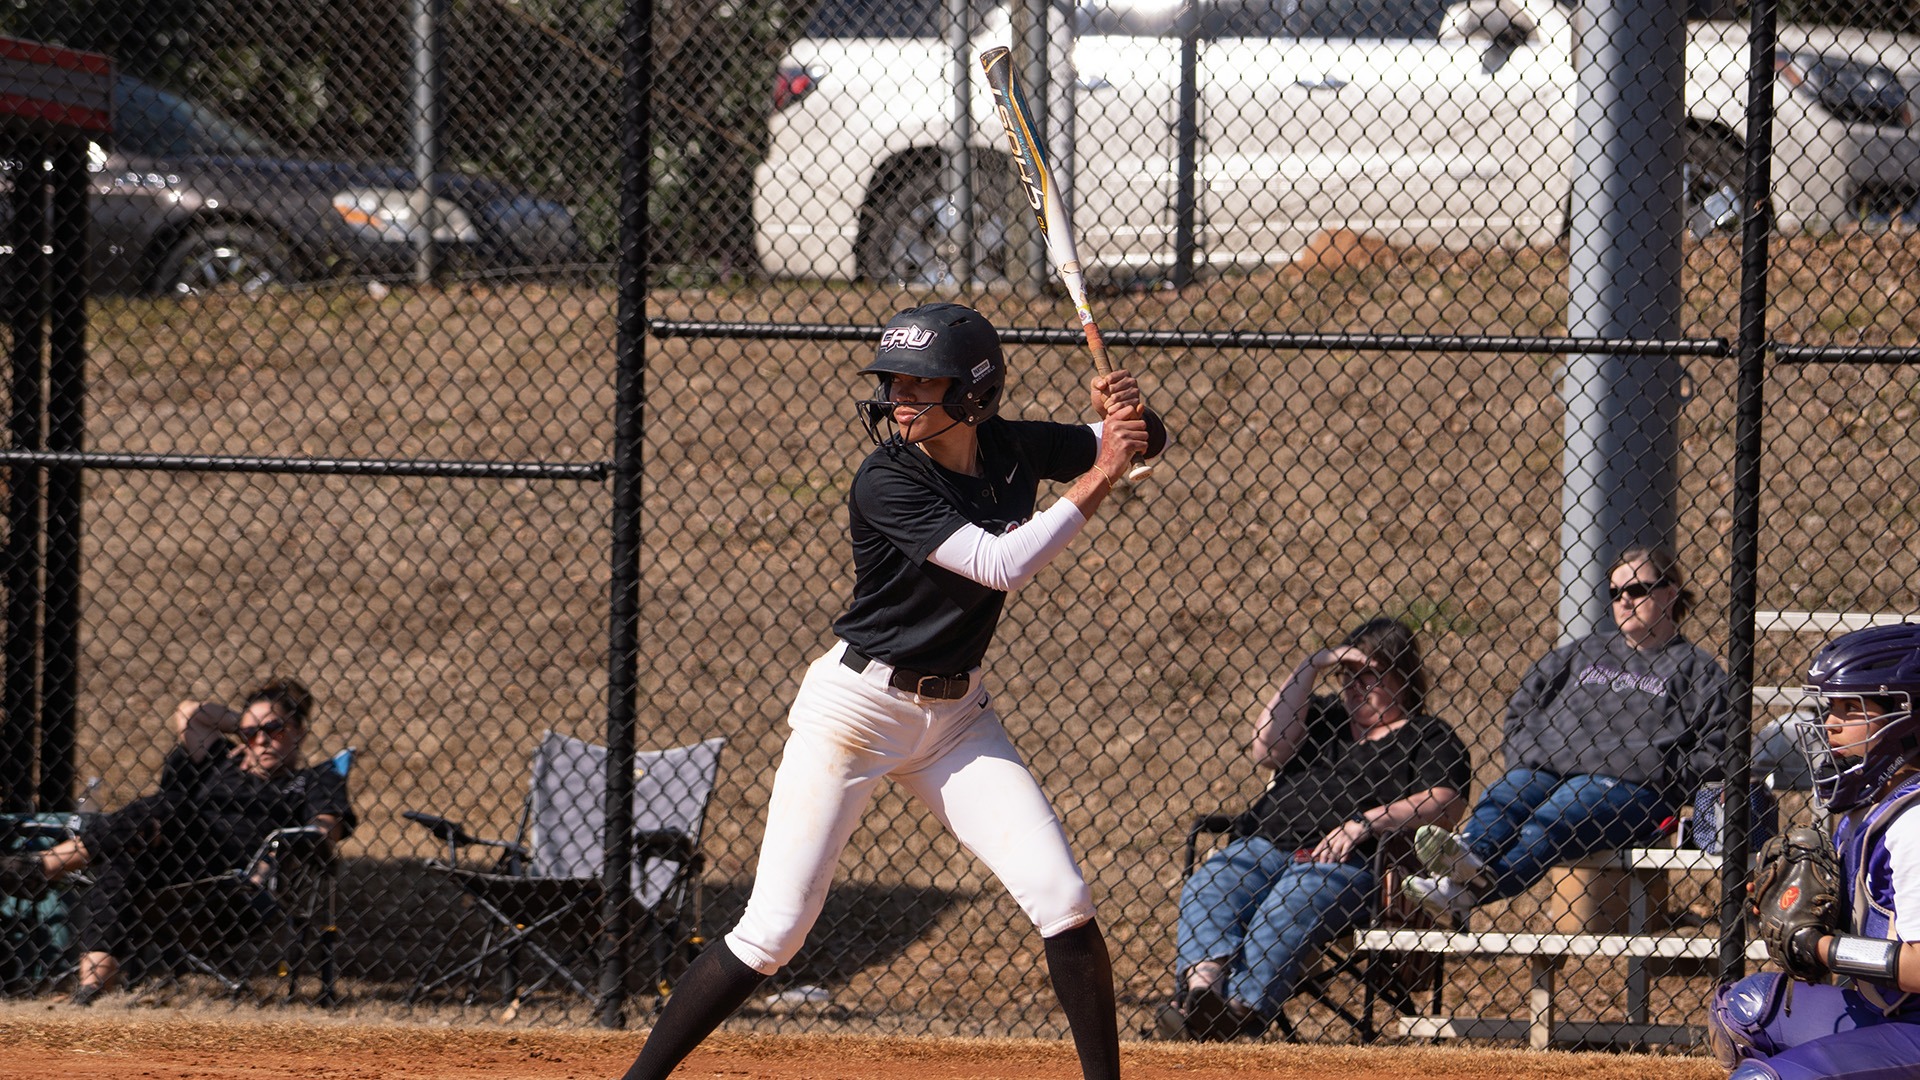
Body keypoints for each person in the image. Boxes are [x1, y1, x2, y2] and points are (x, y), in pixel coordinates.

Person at [612, 302, 1164, 1080]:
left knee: (1064, 897)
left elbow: (1136, 447)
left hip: (958, 718)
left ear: (973, 394)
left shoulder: (1010, 448)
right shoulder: (887, 478)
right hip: (857, 713)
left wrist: (1128, 419)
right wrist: (1105, 469)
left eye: (920, 385)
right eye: (893, 384)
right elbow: (1003, 563)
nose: (897, 401)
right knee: (774, 934)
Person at [1161, 616, 1471, 1041]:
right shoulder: (1323, 717)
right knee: (1210, 882)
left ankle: (1240, 1011)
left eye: (1369, 676)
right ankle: (1202, 991)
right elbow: (1266, 748)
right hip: (1265, 844)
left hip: (1345, 862)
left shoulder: (1427, 735)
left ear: (1403, 676)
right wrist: (1311, 666)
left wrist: (1365, 822)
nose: (1354, 686)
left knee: (1291, 900)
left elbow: (1446, 803)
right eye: (1347, 675)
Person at [1403, 544, 1731, 920]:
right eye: (1615, 593)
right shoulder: (1581, 652)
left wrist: (1659, 772)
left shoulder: (1697, 669)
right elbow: (1522, 708)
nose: (1624, 600)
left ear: (1670, 593)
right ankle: (1466, 865)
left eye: (1637, 590)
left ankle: (1463, 889)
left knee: (1560, 811)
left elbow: (1716, 749)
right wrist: (1529, 756)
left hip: (1633, 789)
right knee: (1510, 790)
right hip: (1549, 771)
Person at [0, 676, 355, 1006]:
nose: (261, 739)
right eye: (250, 732)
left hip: (235, 889)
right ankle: (93, 990)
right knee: (128, 855)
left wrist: (282, 855)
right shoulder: (222, 763)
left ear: (299, 732)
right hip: (172, 874)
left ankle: (44, 865)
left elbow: (323, 831)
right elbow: (190, 712)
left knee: (167, 805)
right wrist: (246, 726)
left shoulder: (313, 780)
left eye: (274, 728)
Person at [1708, 623, 1920, 1079]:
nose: (1830, 724)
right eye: (1831, 707)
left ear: (1909, 720)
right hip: (1894, 1015)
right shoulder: (1874, 807)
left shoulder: (1915, 824)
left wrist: (1821, 946)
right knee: (1743, 1009)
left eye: (1852, 708)